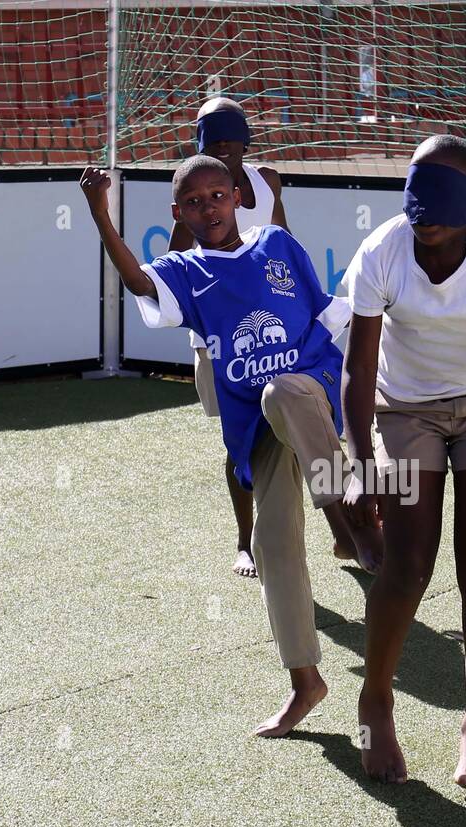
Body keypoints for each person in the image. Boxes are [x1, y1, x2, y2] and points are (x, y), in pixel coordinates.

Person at [80, 157, 380, 737]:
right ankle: (305, 682)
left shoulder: (277, 244)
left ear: (239, 196)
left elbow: (323, 311)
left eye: (218, 195)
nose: (208, 208)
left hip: (308, 391)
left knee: (284, 387)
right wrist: (99, 215)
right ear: (178, 214)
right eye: (193, 202)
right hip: (255, 424)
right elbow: (139, 282)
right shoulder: (186, 272)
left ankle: (349, 520)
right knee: (272, 544)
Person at [339, 135, 466, 791]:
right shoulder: (381, 251)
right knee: (407, 565)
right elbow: (358, 369)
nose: (424, 214)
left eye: (440, 198)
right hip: (406, 411)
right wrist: (359, 462)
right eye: (416, 195)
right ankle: (376, 698)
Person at [167, 97, 373, 578]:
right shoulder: (195, 190)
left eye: (229, 140)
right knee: (241, 445)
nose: (222, 149)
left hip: (283, 337)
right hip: (224, 345)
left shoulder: (267, 182)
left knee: (308, 427)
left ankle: (343, 530)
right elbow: (175, 265)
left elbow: (283, 244)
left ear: (244, 140)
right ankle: (246, 542)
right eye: (211, 142)